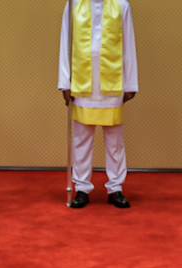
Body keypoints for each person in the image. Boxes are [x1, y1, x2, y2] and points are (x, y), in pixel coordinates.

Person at [59, 0, 138, 209]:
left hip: (112, 83)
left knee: (115, 141)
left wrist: (130, 83)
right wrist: (64, 82)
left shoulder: (121, 5)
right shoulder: (74, 4)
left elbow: (128, 44)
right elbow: (65, 43)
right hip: (82, 83)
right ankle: (82, 188)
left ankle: (115, 188)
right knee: (81, 140)